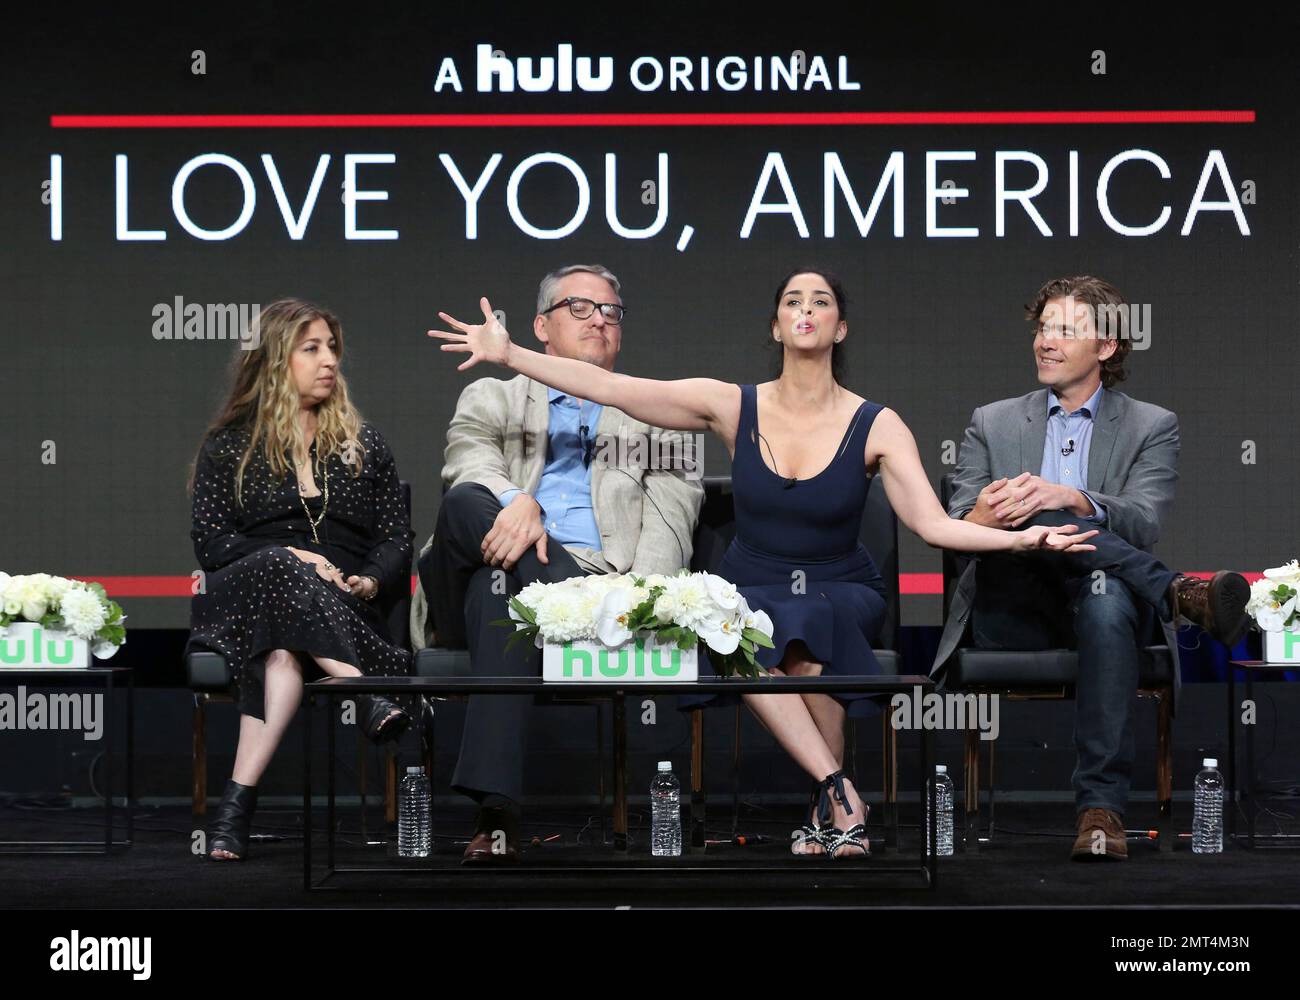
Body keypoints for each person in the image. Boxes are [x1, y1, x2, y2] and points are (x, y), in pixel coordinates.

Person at [428, 267, 1101, 860]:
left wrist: (1026, 539)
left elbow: (934, 525)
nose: (805, 310)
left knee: (803, 615)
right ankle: (837, 794)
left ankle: (830, 801)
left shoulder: (879, 423)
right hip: (734, 583)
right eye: (791, 301)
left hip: (839, 583)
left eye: (820, 302)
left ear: (840, 328)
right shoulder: (729, 403)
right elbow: (620, 389)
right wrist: (510, 352)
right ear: (777, 324)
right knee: (735, 614)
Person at [934, 275, 1249, 861]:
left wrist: (1076, 501)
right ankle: (1178, 594)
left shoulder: (1151, 425)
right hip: (1014, 606)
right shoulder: (993, 420)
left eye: (1065, 330)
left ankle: (1100, 811)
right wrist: (992, 510)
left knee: (1103, 589)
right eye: (1043, 328)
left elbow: (1143, 522)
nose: (1045, 342)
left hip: (1102, 605)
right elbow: (955, 527)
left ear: (1106, 347)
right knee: (1048, 510)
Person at [412, 264, 703, 865]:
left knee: (499, 591)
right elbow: (465, 467)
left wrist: (631, 603)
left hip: (594, 584)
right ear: (540, 327)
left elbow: (669, 531)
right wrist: (521, 504)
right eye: (580, 307)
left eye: (611, 312)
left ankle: (496, 814)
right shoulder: (490, 394)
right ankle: (530, 578)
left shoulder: (659, 416)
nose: (600, 318)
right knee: (467, 503)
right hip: (483, 553)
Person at [187, 298, 414, 861]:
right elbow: (214, 545)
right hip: (246, 601)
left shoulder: (365, 445)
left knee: (284, 656)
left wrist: (366, 581)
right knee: (276, 568)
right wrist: (293, 557)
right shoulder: (230, 447)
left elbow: (395, 540)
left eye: (332, 348)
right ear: (273, 361)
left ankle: (233, 815)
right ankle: (366, 690)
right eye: (311, 349)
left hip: (345, 605)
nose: (329, 360)